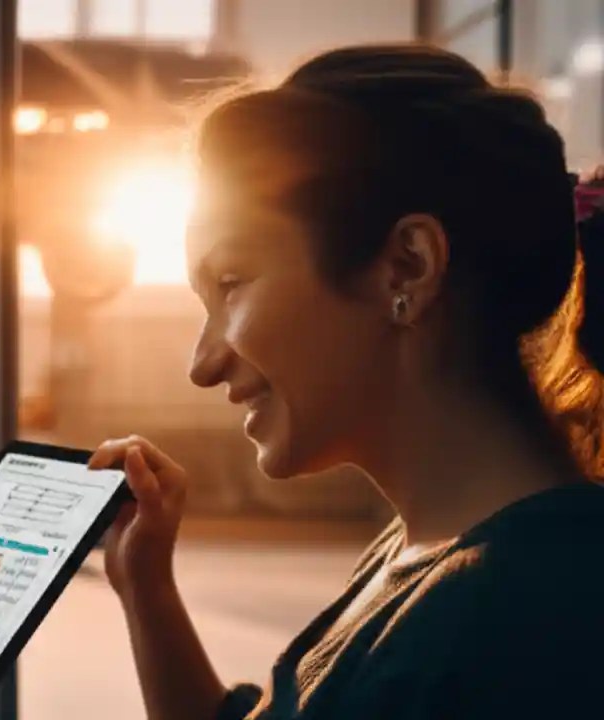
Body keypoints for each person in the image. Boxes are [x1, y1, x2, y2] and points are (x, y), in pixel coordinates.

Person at [90, 44, 604, 719]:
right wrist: (146, 589)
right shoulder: (437, 554)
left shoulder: (519, 616)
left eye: (231, 284)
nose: (204, 362)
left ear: (407, 267)